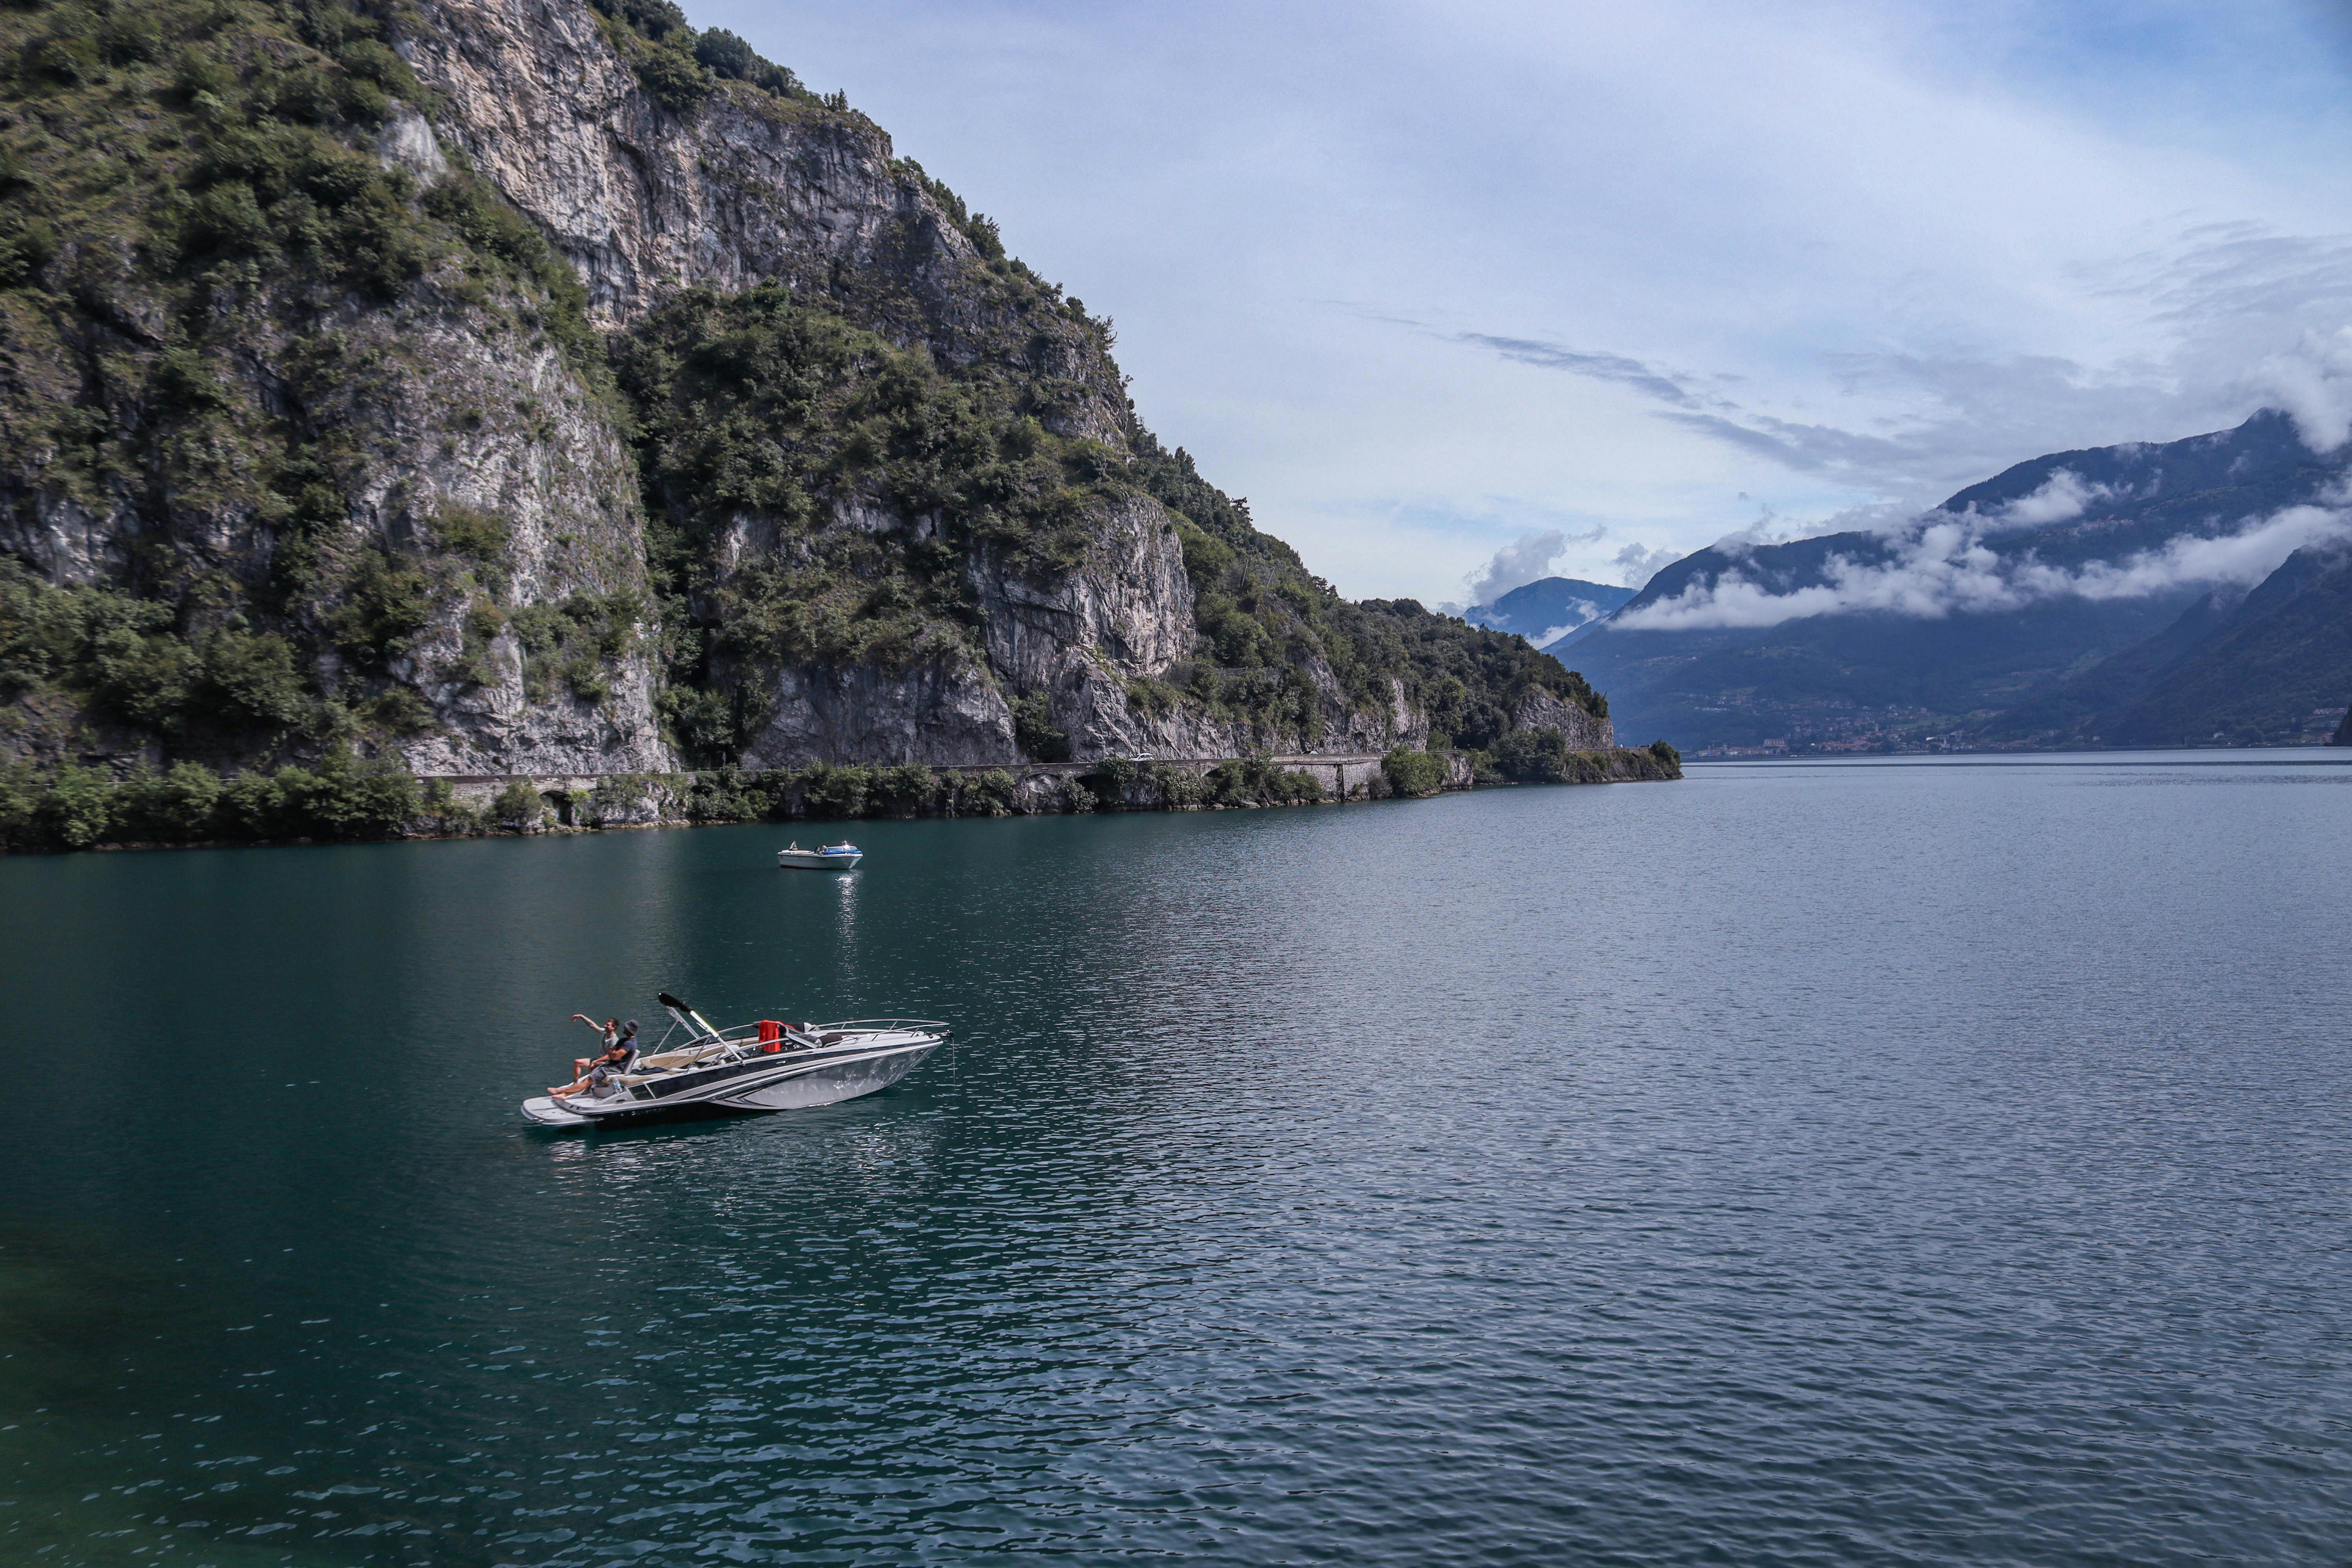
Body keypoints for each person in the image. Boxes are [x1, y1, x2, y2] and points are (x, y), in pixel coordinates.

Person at [551, 1020, 639, 1100]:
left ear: (629, 1030)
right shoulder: (623, 1040)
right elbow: (611, 1053)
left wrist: (612, 1053)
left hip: (615, 1068)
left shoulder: (629, 1044)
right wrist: (610, 1054)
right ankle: (565, 1095)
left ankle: (561, 1091)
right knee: (588, 1079)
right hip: (610, 1064)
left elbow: (614, 1056)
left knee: (588, 1081)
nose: (624, 1028)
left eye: (626, 1027)